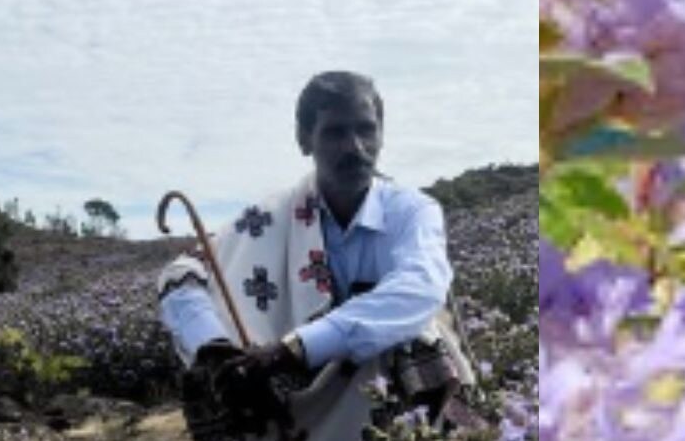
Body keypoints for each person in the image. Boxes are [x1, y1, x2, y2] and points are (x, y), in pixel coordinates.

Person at [157, 71, 475, 441]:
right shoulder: (269, 219)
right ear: (304, 139)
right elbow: (183, 273)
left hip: (376, 387)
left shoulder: (410, 210)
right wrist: (211, 347)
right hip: (284, 389)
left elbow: (420, 286)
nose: (354, 147)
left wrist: (293, 350)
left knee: (416, 338)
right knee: (222, 382)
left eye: (366, 130)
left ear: (381, 135)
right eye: (335, 132)